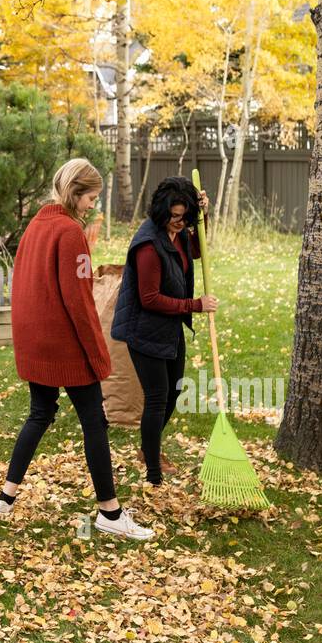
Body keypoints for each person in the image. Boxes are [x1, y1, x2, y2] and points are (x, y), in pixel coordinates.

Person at [0, 158, 154, 541]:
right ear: (75, 192)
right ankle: (110, 514)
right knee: (94, 422)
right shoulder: (69, 232)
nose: (92, 206)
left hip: (34, 341)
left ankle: (4, 498)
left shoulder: (36, 225)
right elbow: (80, 302)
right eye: (91, 198)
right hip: (64, 343)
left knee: (40, 413)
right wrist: (98, 355)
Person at [111, 176, 218, 486]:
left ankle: (149, 448)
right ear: (161, 211)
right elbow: (149, 298)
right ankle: (153, 474)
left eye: (185, 217)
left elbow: (198, 250)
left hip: (168, 329)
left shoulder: (180, 233)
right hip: (144, 330)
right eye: (174, 216)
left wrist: (204, 217)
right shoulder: (148, 245)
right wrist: (195, 305)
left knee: (174, 391)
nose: (179, 222)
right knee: (157, 399)